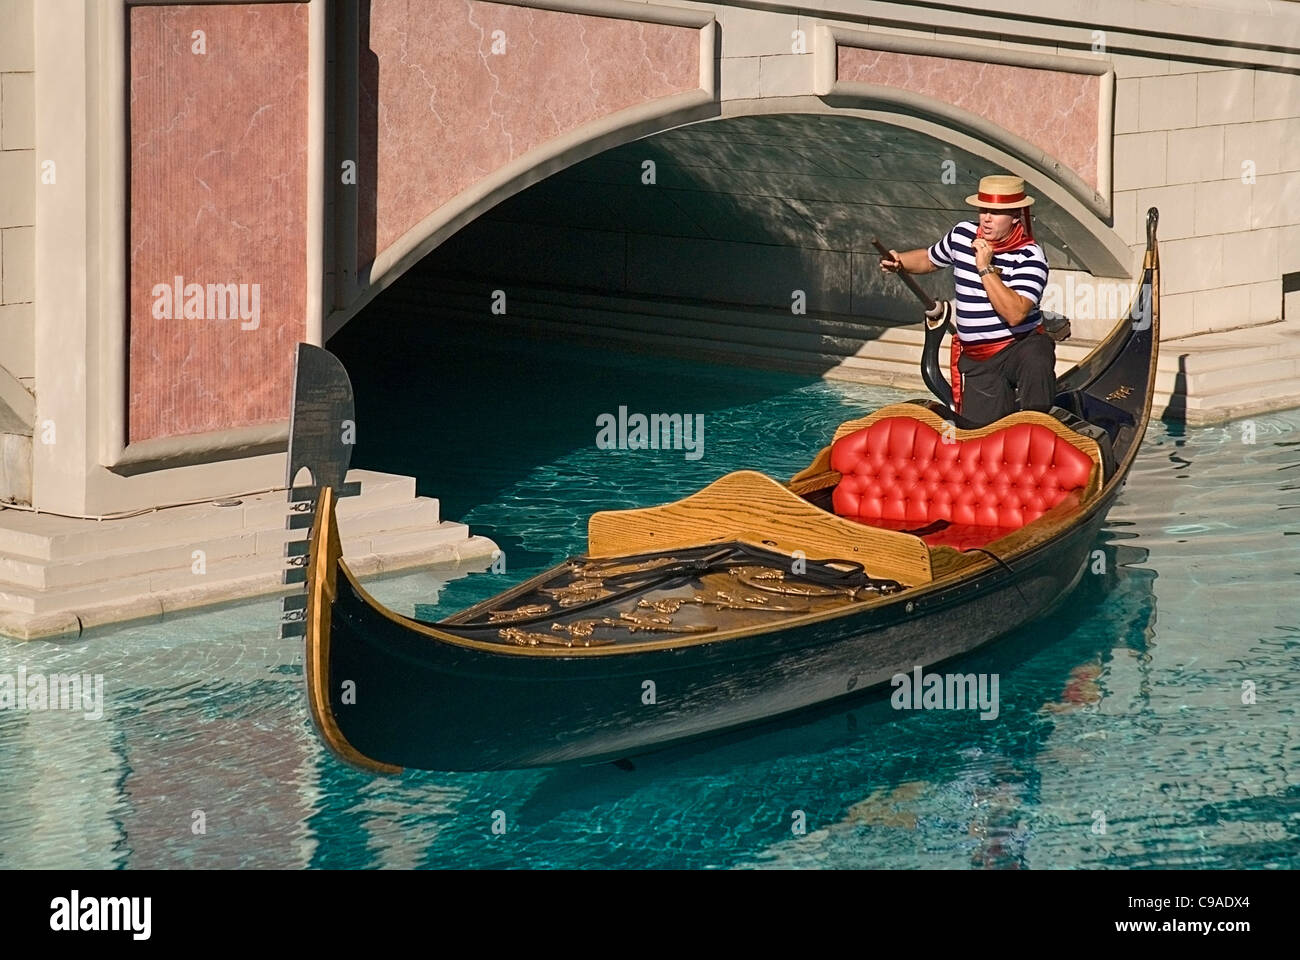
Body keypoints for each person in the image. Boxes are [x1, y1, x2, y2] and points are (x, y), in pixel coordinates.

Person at [880, 174, 1053, 427]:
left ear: (1015, 216)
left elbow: (1015, 313)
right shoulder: (962, 235)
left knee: (1038, 356)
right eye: (984, 210)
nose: (986, 218)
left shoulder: (1030, 256)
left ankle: (1039, 429)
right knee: (978, 435)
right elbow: (929, 259)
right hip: (979, 359)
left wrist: (984, 268)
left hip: (1019, 347)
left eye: (996, 212)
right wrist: (900, 261)